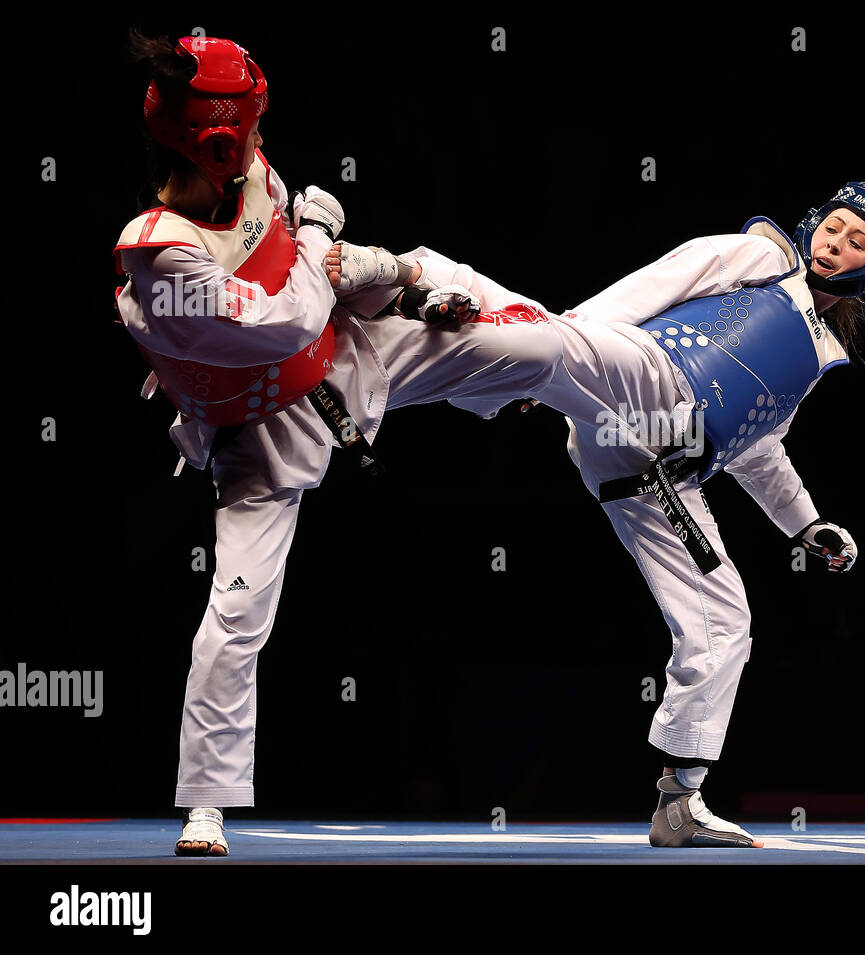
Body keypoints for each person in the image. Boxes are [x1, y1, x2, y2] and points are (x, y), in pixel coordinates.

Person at [338, 182, 865, 846]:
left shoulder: (816, 353)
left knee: (724, 618)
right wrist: (566, 335)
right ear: (814, 223)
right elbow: (653, 284)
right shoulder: (762, 258)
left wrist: (806, 523)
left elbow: (760, 448)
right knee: (544, 343)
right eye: (834, 228)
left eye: (856, 242)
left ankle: (680, 800)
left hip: (656, 471)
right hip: (651, 375)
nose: (835, 244)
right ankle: (401, 280)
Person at [114, 33, 563, 856]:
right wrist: (325, 231)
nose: (256, 142)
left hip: (349, 357)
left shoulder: (248, 172)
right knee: (237, 612)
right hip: (263, 434)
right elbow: (283, 315)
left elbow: (300, 269)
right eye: (245, 128)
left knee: (529, 343)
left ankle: (585, 372)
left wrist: (395, 280)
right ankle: (207, 803)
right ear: (214, 139)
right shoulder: (160, 254)